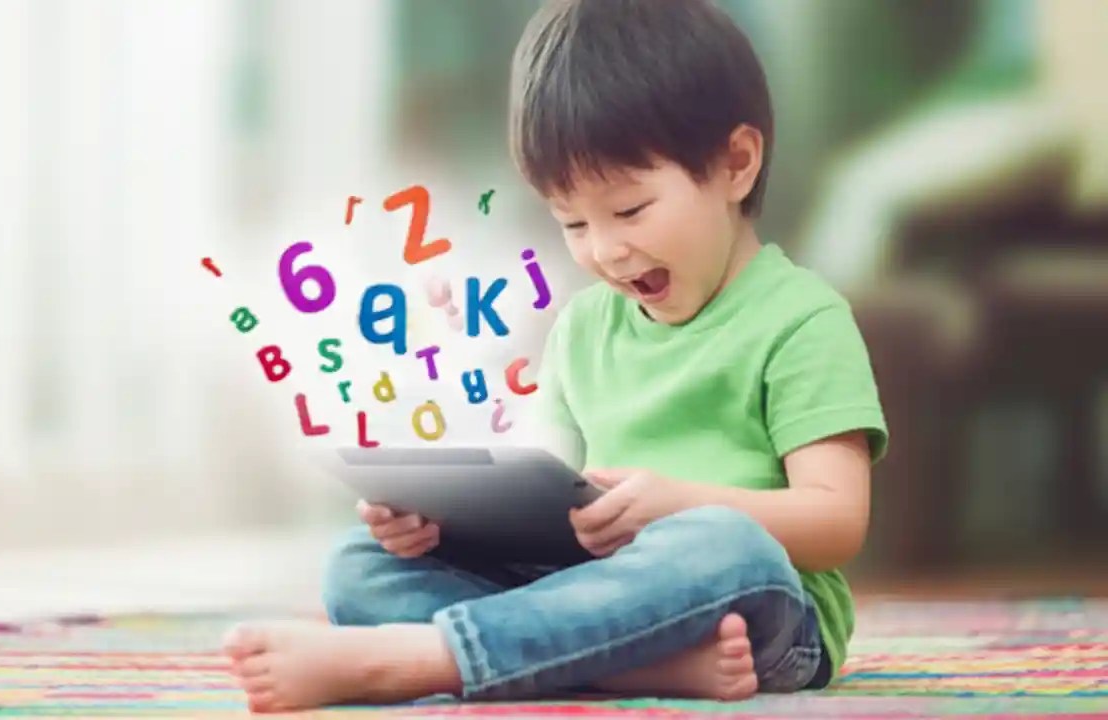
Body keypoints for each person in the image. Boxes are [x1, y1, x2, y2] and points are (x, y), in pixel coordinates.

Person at [223, 0, 887, 712]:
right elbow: (548, 503)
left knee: (726, 542)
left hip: (762, 618)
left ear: (736, 164)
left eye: (630, 211)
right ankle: (629, 669)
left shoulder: (802, 320)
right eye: (573, 222)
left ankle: (427, 658)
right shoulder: (583, 327)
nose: (605, 250)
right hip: (600, 599)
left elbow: (836, 524)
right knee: (362, 568)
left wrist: (680, 507)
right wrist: (439, 525)